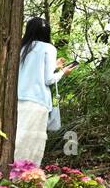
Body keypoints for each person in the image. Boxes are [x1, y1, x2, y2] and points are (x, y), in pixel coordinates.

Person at [13, 17, 73, 167]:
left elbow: (30, 72)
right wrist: (62, 72)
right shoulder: (48, 48)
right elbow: (48, 80)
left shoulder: (20, 47)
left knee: (16, 137)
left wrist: (54, 65)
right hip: (37, 102)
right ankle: (27, 176)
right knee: (32, 141)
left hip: (17, 100)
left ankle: (9, 172)